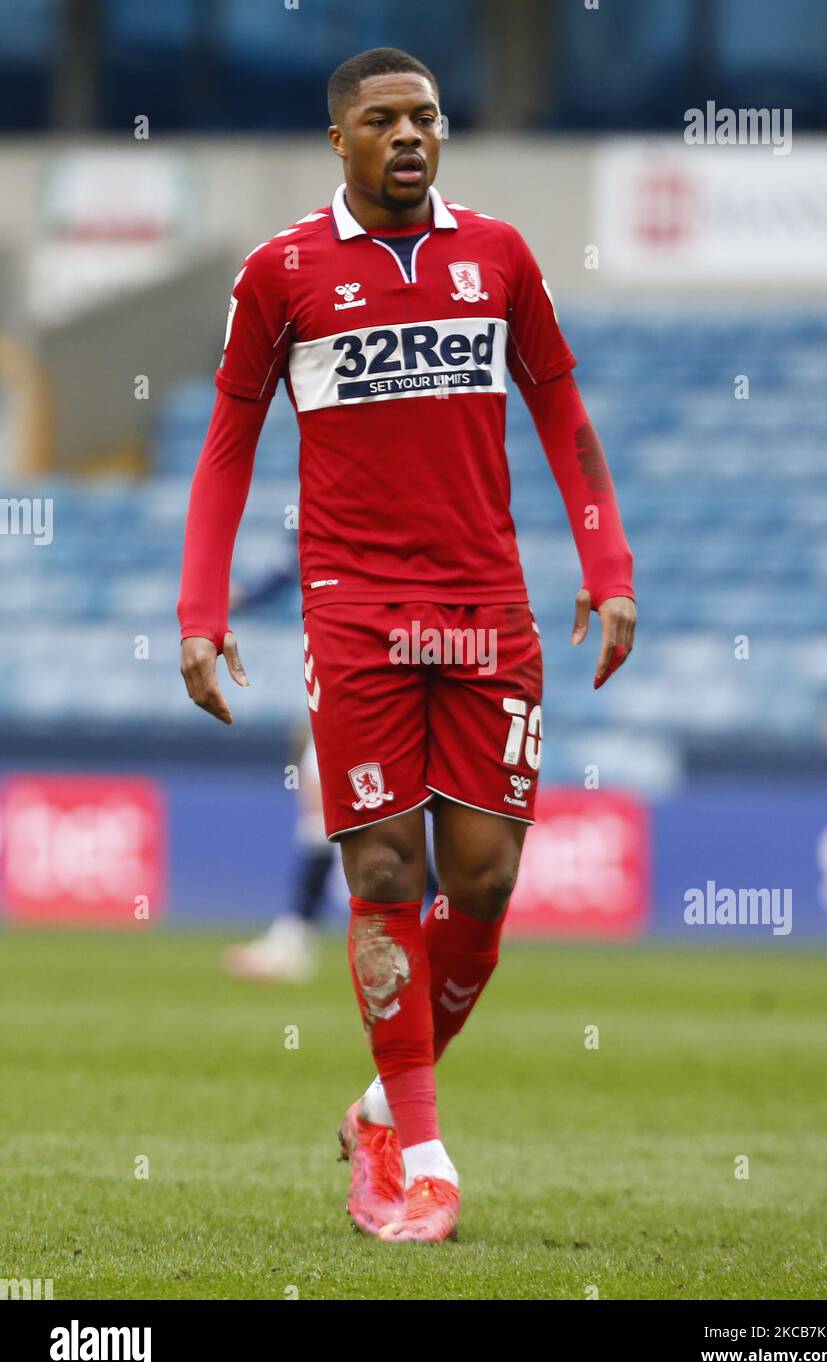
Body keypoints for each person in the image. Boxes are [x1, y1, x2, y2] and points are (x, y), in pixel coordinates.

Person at [178, 47, 636, 1244]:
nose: (408, 135)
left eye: (425, 117)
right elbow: (227, 444)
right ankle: (419, 1156)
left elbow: (561, 410)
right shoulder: (280, 274)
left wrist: (609, 569)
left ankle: (383, 1102)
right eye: (381, 120)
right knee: (387, 870)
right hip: (354, 605)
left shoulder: (499, 257)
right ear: (339, 140)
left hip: (488, 604)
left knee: (480, 877)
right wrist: (200, 605)